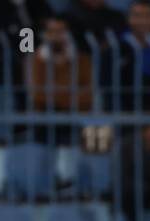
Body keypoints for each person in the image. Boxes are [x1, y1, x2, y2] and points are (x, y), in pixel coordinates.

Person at [26, 14, 94, 146]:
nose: (55, 36)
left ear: (68, 34)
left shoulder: (83, 61)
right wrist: (70, 94)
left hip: (76, 119)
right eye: (51, 32)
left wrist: (57, 95)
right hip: (44, 121)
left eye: (60, 31)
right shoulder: (35, 61)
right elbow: (38, 95)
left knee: (97, 130)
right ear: (44, 35)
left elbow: (88, 96)